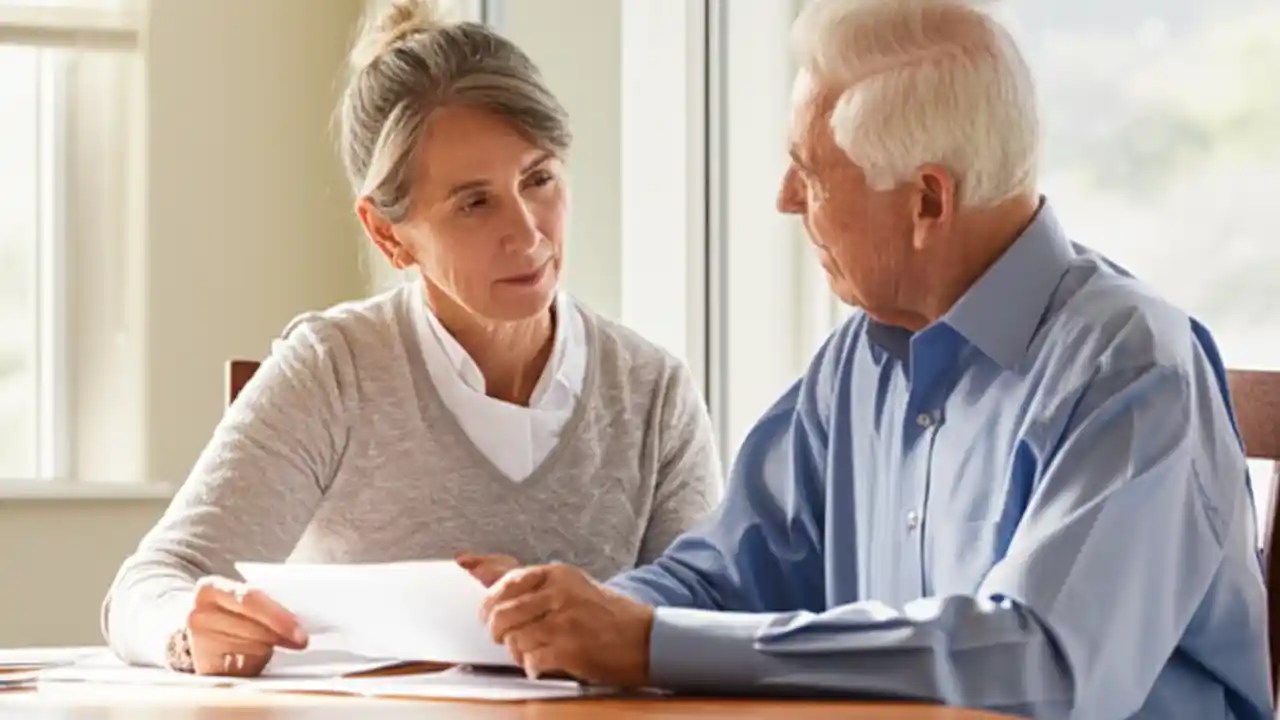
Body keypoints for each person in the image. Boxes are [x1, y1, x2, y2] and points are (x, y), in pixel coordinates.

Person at [476, 0, 1272, 717]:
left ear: (928, 201)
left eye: (813, 172)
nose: (786, 197)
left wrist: (648, 640)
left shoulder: (1135, 367)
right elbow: (723, 578)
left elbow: (1043, 663)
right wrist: (556, 622)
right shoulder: (860, 358)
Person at [101, 0, 721, 677]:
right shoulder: (332, 370)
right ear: (388, 234)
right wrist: (186, 630)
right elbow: (149, 584)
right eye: (474, 202)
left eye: (538, 179)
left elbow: (706, 614)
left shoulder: (654, 390)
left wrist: (577, 613)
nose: (529, 231)